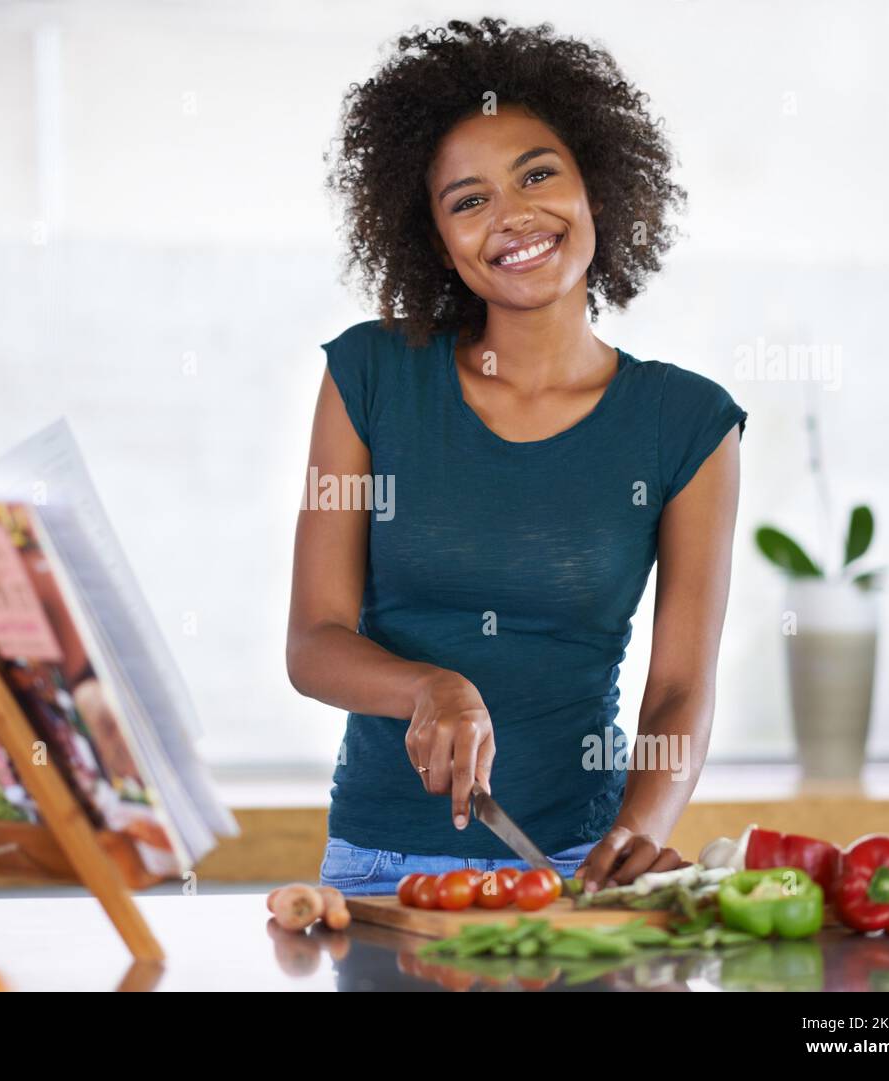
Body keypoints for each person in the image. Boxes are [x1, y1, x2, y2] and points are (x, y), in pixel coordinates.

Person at [287, 19, 748, 897]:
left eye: (538, 174)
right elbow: (313, 642)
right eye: (468, 199)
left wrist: (638, 835)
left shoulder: (687, 423)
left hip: (577, 866)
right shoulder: (369, 377)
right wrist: (430, 686)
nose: (514, 216)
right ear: (435, 239)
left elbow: (680, 688)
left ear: (596, 192)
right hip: (380, 871)